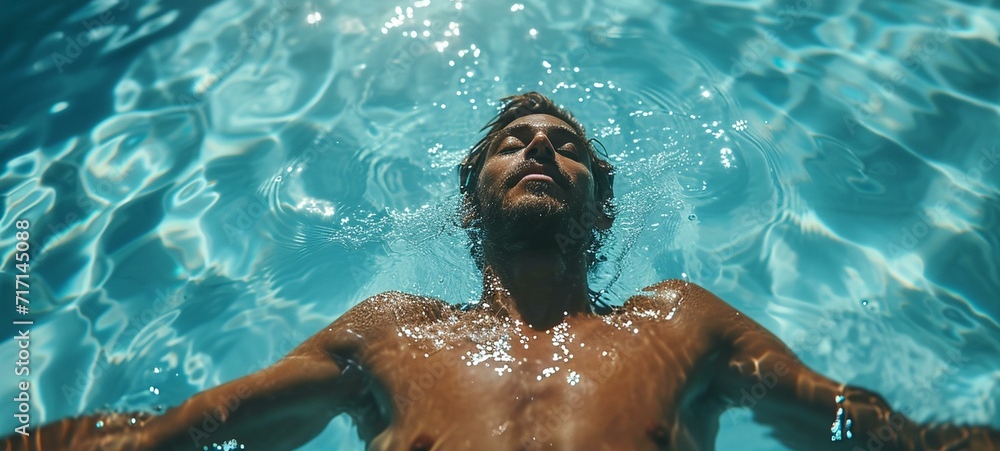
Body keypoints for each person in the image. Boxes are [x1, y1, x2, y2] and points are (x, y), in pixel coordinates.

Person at [4, 92, 998, 451]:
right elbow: (196, 426)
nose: (537, 148)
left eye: (563, 144)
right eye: (513, 142)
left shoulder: (681, 323)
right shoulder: (391, 332)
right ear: (469, 196)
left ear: (598, 201)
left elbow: (848, 419)